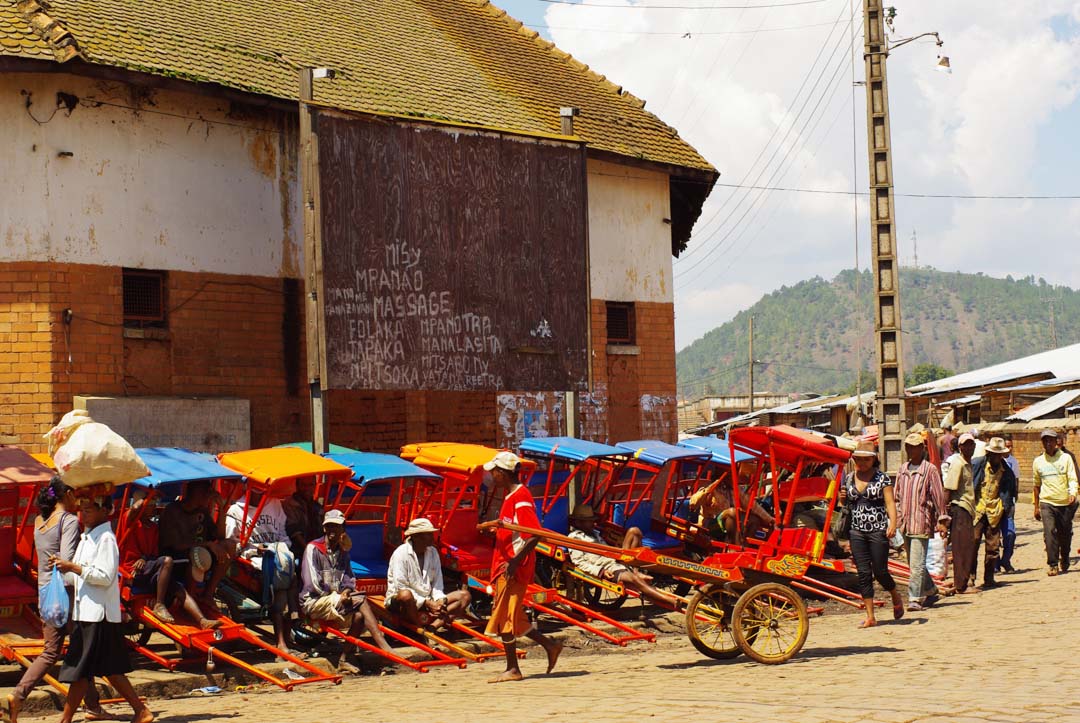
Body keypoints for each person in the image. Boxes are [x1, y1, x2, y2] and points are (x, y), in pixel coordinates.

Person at [6, 479, 105, 723]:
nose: (78, 500)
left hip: (45, 592)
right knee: (79, 649)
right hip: (66, 593)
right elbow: (67, 560)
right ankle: (91, 706)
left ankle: (19, 696)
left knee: (54, 651)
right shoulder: (68, 521)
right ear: (68, 494)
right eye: (76, 494)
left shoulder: (41, 521)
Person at [51, 494, 153, 723]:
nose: (84, 513)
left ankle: (66, 720)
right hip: (87, 613)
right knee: (100, 669)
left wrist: (73, 567)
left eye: (90, 509)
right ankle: (140, 710)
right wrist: (62, 568)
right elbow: (78, 576)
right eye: (83, 509)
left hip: (98, 615)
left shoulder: (106, 538)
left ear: (105, 511)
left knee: (82, 668)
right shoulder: (87, 537)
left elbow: (105, 577)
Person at [483, 450, 562, 683]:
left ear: (503, 473)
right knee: (514, 616)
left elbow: (533, 534)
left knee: (504, 615)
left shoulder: (521, 497)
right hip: (506, 563)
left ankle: (513, 668)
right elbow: (515, 531)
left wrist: (515, 562)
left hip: (513, 567)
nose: (492, 475)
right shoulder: (511, 496)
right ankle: (550, 645)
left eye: (494, 472)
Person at [299, 509, 392, 673]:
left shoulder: (343, 552)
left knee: (360, 617)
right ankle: (382, 644)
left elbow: (350, 580)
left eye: (336, 526)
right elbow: (313, 584)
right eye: (329, 526)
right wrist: (338, 595)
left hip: (335, 601)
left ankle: (344, 659)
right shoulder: (313, 549)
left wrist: (347, 591)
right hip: (314, 601)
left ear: (343, 529)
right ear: (324, 528)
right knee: (362, 600)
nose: (332, 530)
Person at [122, 491, 221, 630]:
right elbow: (135, 508)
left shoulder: (153, 528)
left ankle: (202, 620)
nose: (154, 507)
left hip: (149, 568)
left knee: (179, 589)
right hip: (132, 570)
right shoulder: (131, 522)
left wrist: (144, 558)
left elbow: (154, 555)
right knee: (167, 561)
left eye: (155, 504)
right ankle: (159, 604)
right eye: (151, 504)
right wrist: (150, 493)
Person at [841, 440, 903, 628]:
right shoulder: (849, 478)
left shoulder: (882, 478)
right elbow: (845, 505)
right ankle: (870, 616)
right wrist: (842, 499)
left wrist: (893, 524)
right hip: (856, 531)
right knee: (863, 573)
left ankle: (895, 594)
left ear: (873, 459)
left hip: (878, 530)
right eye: (858, 459)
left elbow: (890, 503)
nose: (862, 463)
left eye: (866, 459)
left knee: (880, 571)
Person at [226, 491, 297, 653]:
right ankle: (282, 642)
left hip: (278, 554)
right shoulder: (235, 511)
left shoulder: (275, 504)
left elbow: (283, 533)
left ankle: (290, 625)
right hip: (253, 561)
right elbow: (231, 544)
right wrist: (254, 550)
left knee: (290, 571)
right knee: (279, 583)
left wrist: (282, 549)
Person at [566, 504, 677, 608]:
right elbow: (580, 563)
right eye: (589, 521)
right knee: (635, 580)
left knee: (634, 531)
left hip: (615, 558)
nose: (593, 524)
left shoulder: (596, 533)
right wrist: (601, 571)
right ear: (579, 523)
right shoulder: (574, 538)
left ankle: (636, 570)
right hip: (609, 567)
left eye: (592, 521)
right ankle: (669, 600)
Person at [893, 432, 948, 611]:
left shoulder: (929, 470)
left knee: (917, 565)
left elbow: (938, 496)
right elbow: (896, 496)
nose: (911, 450)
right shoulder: (902, 469)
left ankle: (914, 599)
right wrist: (897, 518)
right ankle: (931, 590)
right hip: (905, 523)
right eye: (908, 447)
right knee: (914, 563)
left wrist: (942, 519)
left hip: (921, 521)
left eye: (915, 447)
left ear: (922, 449)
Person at [158, 479, 235, 606]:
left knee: (229, 545)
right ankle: (190, 600)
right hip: (177, 559)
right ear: (198, 494)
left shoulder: (202, 511)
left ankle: (208, 595)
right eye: (207, 493)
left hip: (201, 556)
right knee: (198, 554)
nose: (210, 497)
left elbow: (220, 536)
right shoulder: (172, 510)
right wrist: (207, 544)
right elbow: (175, 545)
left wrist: (221, 509)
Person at [386, 518, 472, 628]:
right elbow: (401, 587)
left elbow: (437, 583)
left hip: (428, 598)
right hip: (405, 602)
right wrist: (427, 603)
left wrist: (439, 601)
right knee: (405, 595)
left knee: (465, 596)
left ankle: (433, 627)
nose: (432, 537)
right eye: (429, 534)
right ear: (416, 537)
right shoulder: (400, 554)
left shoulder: (433, 552)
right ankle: (419, 629)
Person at [971, 437, 1017, 589]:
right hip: (978, 510)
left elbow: (1010, 492)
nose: (996, 457)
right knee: (973, 543)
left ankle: (989, 578)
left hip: (995, 512)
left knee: (993, 547)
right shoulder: (977, 465)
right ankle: (970, 577)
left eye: (999, 454)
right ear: (988, 453)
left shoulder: (1007, 472)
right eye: (993, 454)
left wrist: (1006, 508)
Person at [1033, 428, 1078, 576]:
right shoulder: (1038, 461)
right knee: (1049, 532)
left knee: (1065, 533)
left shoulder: (1066, 458)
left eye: (1050, 440)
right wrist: (1036, 506)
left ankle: (1064, 557)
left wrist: (1073, 493)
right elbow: (1036, 485)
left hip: (1064, 503)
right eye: (1045, 440)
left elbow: (1072, 478)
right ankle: (1052, 564)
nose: (1048, 443)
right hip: (1047, 502)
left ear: (1055, 442)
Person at [689, 473, 774, 544]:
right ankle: (733, 545)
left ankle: (744, 546)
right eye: (730, 475)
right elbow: (693, 504)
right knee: (732, 512)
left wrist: (770, 520)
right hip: (710, 524)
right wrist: (710, 489)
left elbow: (752, 505)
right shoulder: (709, 490)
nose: (734, 478)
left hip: (729, 523)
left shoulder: (734, 490)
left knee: (754, 519)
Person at [943, 433, 979, 594]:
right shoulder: (957, 464)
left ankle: (963, 582)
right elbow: (948, 489)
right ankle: (961, 585)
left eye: (971, 444)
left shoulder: (968, 463)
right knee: (961, 549)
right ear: (960, 447)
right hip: (960, 509)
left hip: (968, 509)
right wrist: (944, 514)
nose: (969, 448)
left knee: (967, 547)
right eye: (966, 445)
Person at [283, 476, 323, 558]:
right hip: (297, 550)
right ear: (297, 486)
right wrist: (309, 551)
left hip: (316, 548)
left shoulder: (317, 506)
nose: (307, 488)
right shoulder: (290, 504)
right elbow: (294, 532)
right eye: (303, 485)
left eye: (310, 485)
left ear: (315, 486)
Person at [997, 436, 1020, 574]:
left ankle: (1006, 559)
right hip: (992, 507)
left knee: (1010, 534)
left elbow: (1015, 481)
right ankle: (994, 564)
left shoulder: (1011, 464)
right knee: (994, 537)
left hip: (1008, 505)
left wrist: (1014, 496)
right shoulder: (986, 466)